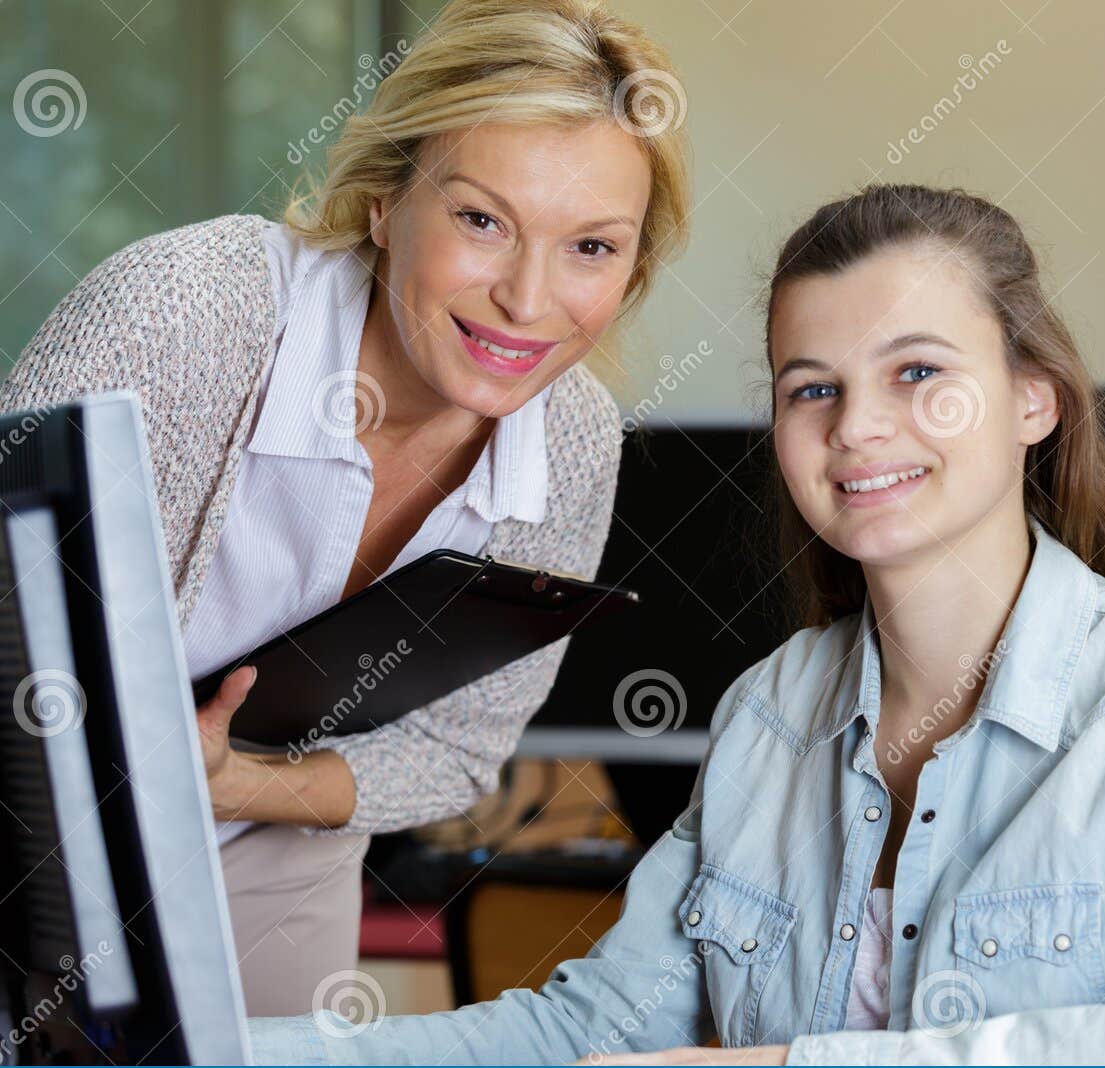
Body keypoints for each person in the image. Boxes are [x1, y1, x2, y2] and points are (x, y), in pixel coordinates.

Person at [249, 184, 1105, 1065]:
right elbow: (593, 1036)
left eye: (917, 373)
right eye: (811, 389)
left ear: (1033, 401)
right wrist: (215, 1064)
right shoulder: (769, 715)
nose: (857, 427)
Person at [0, 0, 690, 1015]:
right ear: (381, 200)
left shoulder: (575, 436)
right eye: (481, 220)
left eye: (592, 246)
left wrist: (238, 786)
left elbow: (455, 749)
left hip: (268, 851)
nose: (528, 299)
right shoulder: (187, 312)